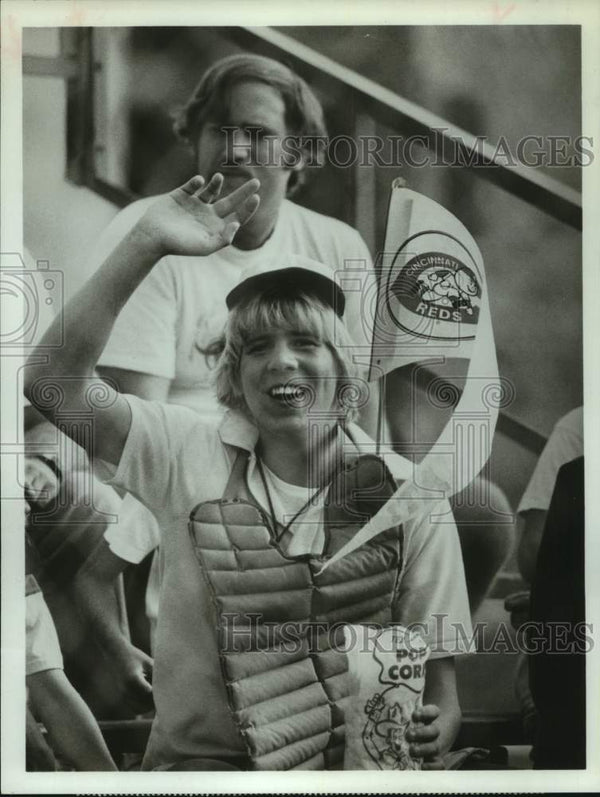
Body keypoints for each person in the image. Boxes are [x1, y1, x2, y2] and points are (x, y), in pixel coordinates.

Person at [26, 174, 472, 771]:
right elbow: (50, 385)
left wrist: (435, 726)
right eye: (257, 347)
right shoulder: (184, 451)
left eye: (305, 342)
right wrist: (146, 242)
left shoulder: (411, 497)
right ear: (234, 378)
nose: (281, 359)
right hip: (206, 770)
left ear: (344, 368)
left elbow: (440, 690)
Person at [74, 52, 378, 709]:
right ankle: (135, 677)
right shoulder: (151, 233)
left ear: (299, 154)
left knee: (475, 509)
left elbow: (358, 394)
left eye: (261, 134)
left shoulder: (338, 244)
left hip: (304, 449)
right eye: (220, 128)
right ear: (195, 139)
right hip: (184, 450)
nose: (237, 147)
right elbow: (134, 421)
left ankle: (377, 685)